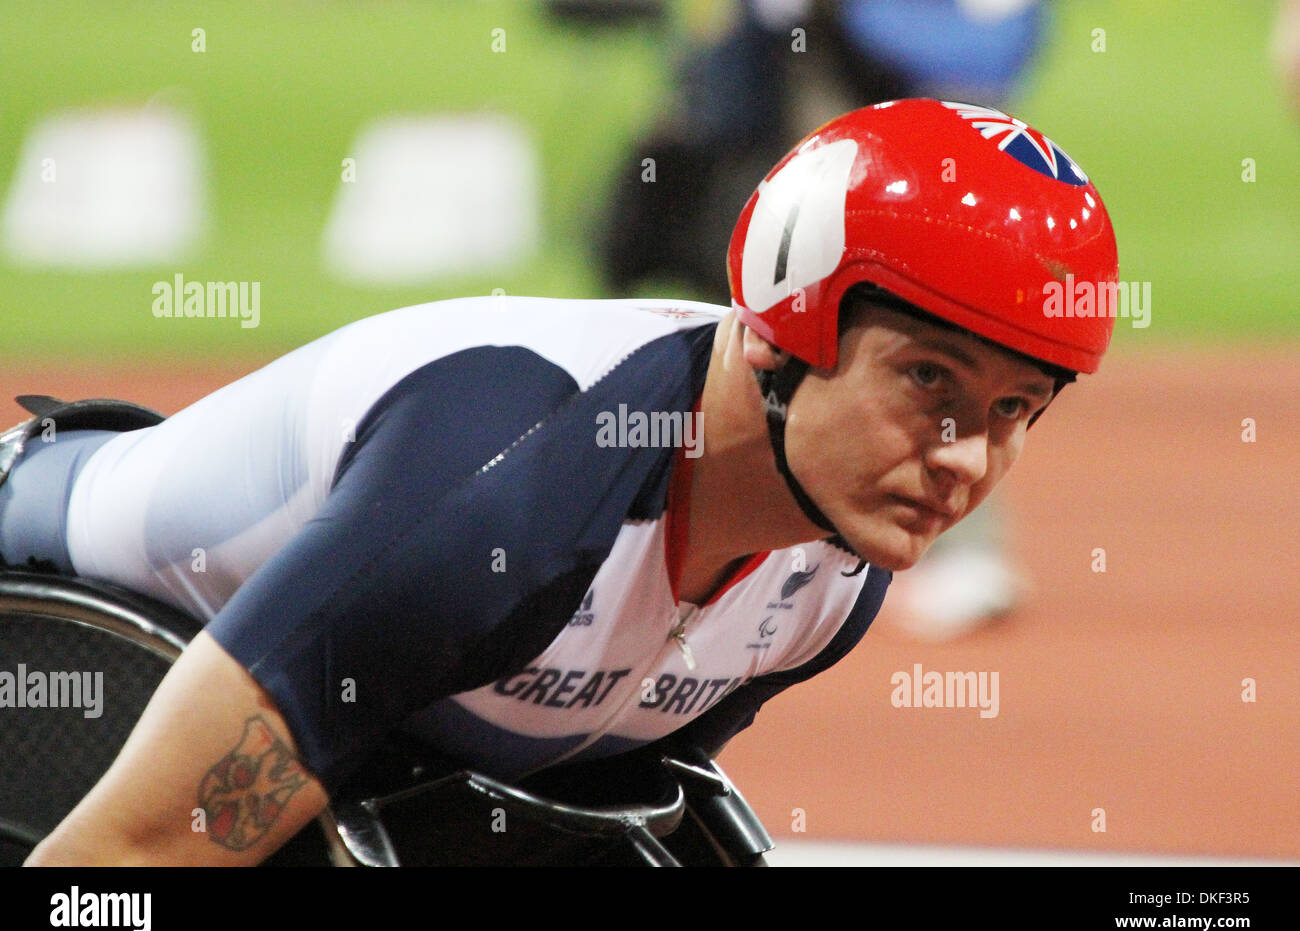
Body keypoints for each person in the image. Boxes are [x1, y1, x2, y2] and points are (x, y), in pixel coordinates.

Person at [8, 98, 1117, 865]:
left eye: (1013, 409)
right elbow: (114, 865)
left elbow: (572, 817)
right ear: (784, 326)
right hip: (49, 629)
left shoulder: (828, 577)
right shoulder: (501, 496)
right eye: (929, 379)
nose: (963, 457)